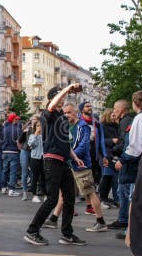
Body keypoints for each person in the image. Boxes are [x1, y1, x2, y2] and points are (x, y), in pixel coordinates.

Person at [24, 84, 86, 247]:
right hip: (52, 161)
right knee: (52, 199)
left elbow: (66, 142)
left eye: (63, 95)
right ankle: (32, 231)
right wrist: (67, 89)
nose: (63, 97)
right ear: (53, 98)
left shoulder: (62, 118)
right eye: (60, 95)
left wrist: (74, 157)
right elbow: (51, 105)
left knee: (70, 198)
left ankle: (67, 234)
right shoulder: (48, 114)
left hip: (64, 161)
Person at [115, 91, 142, 240]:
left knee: (134, 197)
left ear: (135, 103)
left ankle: (132, 232)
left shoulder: (141, 118)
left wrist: (122, 160)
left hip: (139, 164)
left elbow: (135, 147)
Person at [70, 101, 107, 233]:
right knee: (66, 191)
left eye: (90, 106)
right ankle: (54, 218)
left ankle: (100, 220)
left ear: (75, 112)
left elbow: (97, 140)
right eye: (87, 106)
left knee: (89, 190)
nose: (90, 108)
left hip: (85, 160)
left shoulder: (91, 124)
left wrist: (105, 155)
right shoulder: (74, 124)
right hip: (77, 160)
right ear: (81, 110)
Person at [107, 99, 135, 231]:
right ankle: (124, 219)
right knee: (123, 190)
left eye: (115, 109)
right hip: (130, 160)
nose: (114, 112)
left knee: (123, 190)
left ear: (121, 110)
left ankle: (124, 219)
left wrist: (114, 152)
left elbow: (125, 141)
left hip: (127, 161)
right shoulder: (131, 119)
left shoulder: (125, 122)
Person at [97, 108, 119, 207]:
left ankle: (112, 198)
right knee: (106, 177)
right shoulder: (103, 126)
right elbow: (100, 141)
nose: (115, 117)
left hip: (114, 154)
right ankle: (102, 198)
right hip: (106, 155)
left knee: (112, 178)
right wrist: (112, 140)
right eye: (113, 115)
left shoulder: (116, 126)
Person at [0, 113, 22, 196]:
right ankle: (11, 190)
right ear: (13, 120)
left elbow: (1, 140)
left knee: (5, 170)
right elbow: (21, 141)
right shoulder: (18, 129)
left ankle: (3, 187)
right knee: (13, 171)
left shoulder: (4, 129)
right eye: (16, 119)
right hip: (14, 152)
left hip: (5, 152)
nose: (17, 120)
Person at [26, 118, 46, 203]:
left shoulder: (45, 136)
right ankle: (34, 195)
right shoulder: (32, 136)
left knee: (44, 177)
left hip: (44, 158)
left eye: (41, 126)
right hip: (35, 158)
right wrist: (36, 135)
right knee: (35, 177)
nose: (39, 127)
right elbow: (31, 145)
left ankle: (45, 194)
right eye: (37, 126)